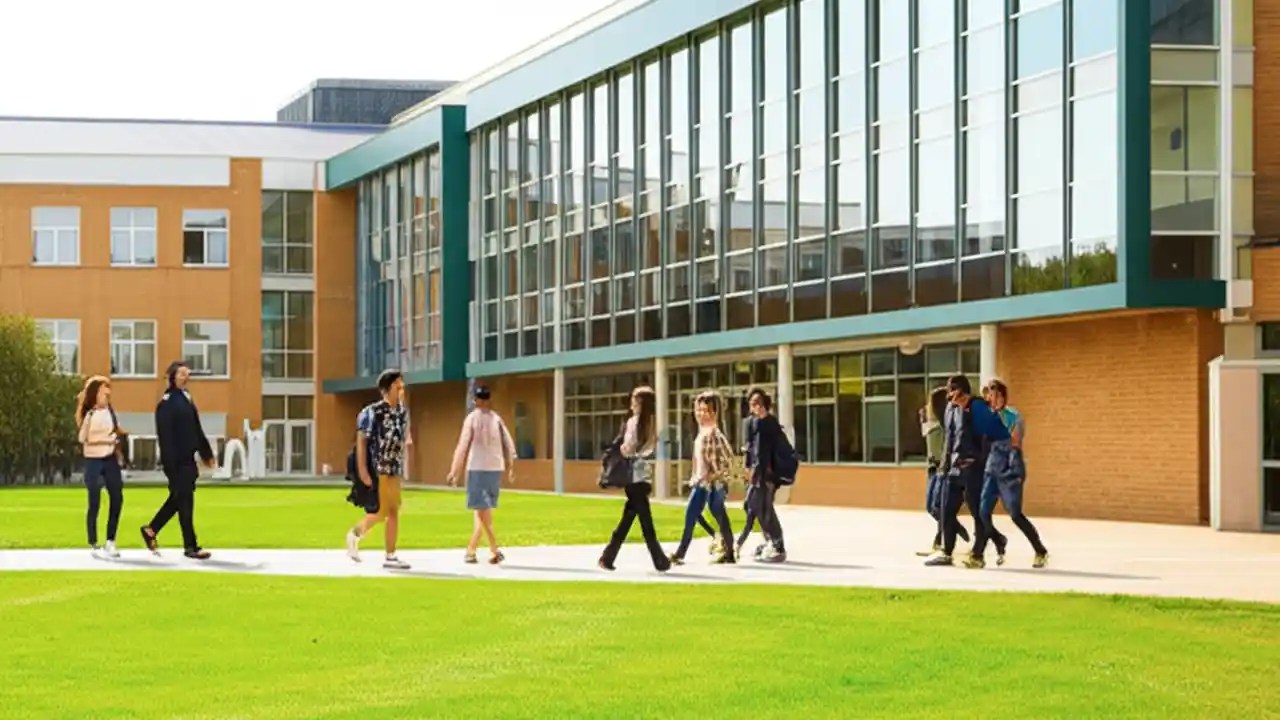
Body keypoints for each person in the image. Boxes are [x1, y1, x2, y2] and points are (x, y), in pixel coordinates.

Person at [924, 374, 1009, 568]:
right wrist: (944, 466)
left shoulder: (978, 408)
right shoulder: (950, 409)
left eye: (954, 391)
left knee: (977, 512)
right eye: (949, 391)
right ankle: (947, 552)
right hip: (953, 468)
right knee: (946, 509)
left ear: (963, 391)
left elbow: (998, 435)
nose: (951, 396)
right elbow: (949, 439)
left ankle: (978, 554)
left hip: (974, 468)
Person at [139, 362, 216, 560]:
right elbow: (165, 438)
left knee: (179, 500)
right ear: (172, 376)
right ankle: (190, 546)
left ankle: (152, 529)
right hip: (176, 461)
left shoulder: (187, 399)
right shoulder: (166, 403)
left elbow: (196, 429)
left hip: (188, 459)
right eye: (181, 373)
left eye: (187, 374)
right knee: (185, 502)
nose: (185, 377)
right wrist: (170, 465)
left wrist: (206, 453)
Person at [973, 379, 1049, 569]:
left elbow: (1015, 442)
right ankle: (999, 540)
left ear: (1004, 397)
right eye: (990, 396)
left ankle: (1040, 550)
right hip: (991, 469)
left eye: (997, 395)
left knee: (1015, 514)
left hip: (1010, 466)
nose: (994, 399)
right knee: (983, 513)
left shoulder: (1014, 416)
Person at [598, 386, 671, 572]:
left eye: (635, 401)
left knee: (630, 520)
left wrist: (626, 449)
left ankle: (608, 557)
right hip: (642, 476)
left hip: (633, 477)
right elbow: (650, 448)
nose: (632, 404)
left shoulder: (635, 422)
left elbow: (627, 448)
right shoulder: (653, 423)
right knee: (644, 522)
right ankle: (659, 560)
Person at [346, 370, 412, 569]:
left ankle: (390, 555)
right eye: (397, 386)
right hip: (379, 467)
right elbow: (362, 441)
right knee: (382, 511)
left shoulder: (401, 412)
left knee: (393, 511)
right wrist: (363, 470)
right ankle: (355, 533)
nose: (401, 390)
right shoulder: (372, 412)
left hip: (394, 468)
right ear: (387, 388)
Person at [448, 384, 517, 565]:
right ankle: (472, 551)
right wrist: (511, 466)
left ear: (477, 400)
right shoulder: (497, 419)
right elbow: (509, 443)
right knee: (484, 511)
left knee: (481, 512)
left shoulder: (472, 419)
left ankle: (494, 548)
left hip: (477, 467)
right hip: (495, 468)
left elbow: (463, 445)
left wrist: (455, 470)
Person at [669, 392, 737, 565]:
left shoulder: (711, 434)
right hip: (707, 483)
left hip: (707, 485)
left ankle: (680, 553)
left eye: (705, 410)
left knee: (691, 515)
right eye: (698, 410)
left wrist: (708, 479)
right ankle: (728, 551)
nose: (700, 414)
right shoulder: (705, 432)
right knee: (717, 514)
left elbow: (722, 462)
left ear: (714, 412)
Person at [918, 386, 970, 557]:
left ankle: (949, 534)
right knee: (931, 506)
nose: (927, 406)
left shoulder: (944, 423)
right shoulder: (930, 421)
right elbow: (927, 435)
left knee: (936, 507)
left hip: (942, 468)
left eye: (930, 402)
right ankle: (949, 532)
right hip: (933, 468)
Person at [77, 376, 124, 559]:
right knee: (94, 502)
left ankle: (110, 540)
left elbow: (116, 430)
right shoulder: (90, 415)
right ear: (95, 394)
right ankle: (93, 542)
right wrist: (106, 440)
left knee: (117, 498)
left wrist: (120, 438)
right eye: (103, 393)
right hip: (94, 461)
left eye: (108, 393)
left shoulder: (111, 413)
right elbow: (83, 438)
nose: (107, 396)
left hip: (110, 459)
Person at [743, 388, 786, 563]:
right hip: (755, 474)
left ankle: (777, 544)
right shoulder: (752, 423)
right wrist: (748, 468)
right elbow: (750, 448)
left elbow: (765, 452)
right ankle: (770, 540)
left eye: (759, 403)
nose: (755, 407)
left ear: (765, 405)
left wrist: (759, 474)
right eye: (752, 404)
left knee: (764, 508)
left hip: (768, 475)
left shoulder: (769, 424)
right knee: (751, 506)